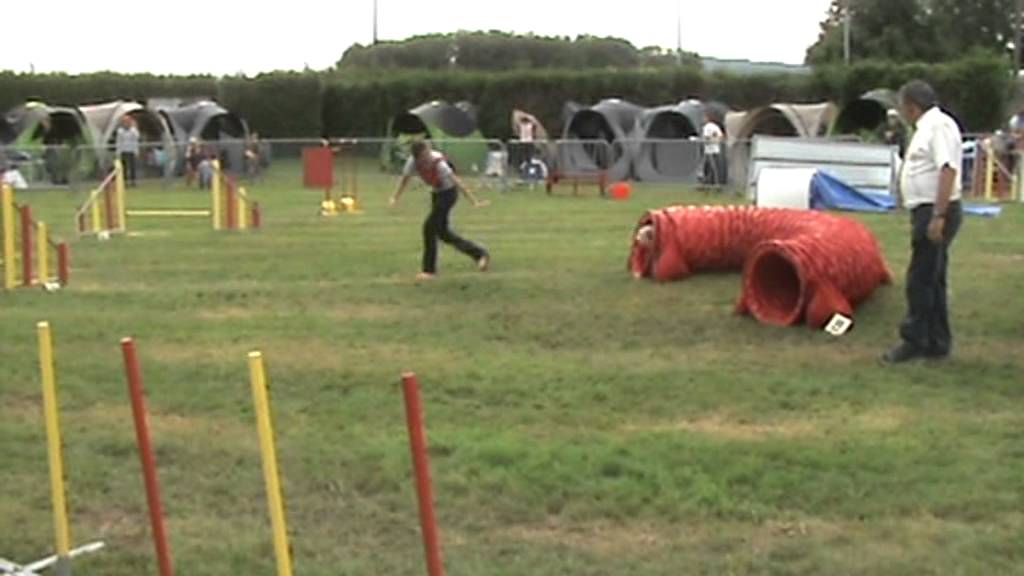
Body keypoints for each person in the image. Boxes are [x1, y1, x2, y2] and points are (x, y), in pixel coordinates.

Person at [882, 80, 963, 364]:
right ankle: (937, 341)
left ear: (912, 106)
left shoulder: (937, 126)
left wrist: (938, 215)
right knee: (933, 278)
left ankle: (914, 339)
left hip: (935, 209)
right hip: (928, 208)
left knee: (920, 278)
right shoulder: (926, 128)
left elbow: (947, 169)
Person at [389, 140, 490, 281]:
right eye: (425, 155)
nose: (428, 157)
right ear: (418, 157)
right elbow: (405, 179)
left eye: (428, 152)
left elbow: (457, 182)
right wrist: (395, 197)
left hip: (449, 194)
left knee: (429, 228)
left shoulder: (439, 164)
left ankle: (429, 271)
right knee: (443, 233)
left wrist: (474, 201)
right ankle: (480, 254)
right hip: (436, 194)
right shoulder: (413, 162)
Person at [701, 112, 725, 187]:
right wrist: (715, 140)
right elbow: (721, 136)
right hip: (716, 149)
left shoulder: (706, 127)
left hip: (709, 150)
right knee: (713, 167)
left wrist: (708, 141)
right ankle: (707, 182)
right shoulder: (716, 126)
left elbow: (706, 137)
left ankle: (715, 183)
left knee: (710, 167)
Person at [115, 116, 140, 187]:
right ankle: (124, 182)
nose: (126, 123)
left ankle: (133, 182)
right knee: (124, 168)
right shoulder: (120, 131)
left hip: (132, 150)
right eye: (124, 122)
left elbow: (137, 138)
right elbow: (118, 142)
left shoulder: (133, 130)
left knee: (133, 167)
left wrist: (136, 151)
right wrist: (118, 152)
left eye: (127, 122)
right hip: (124, 151)